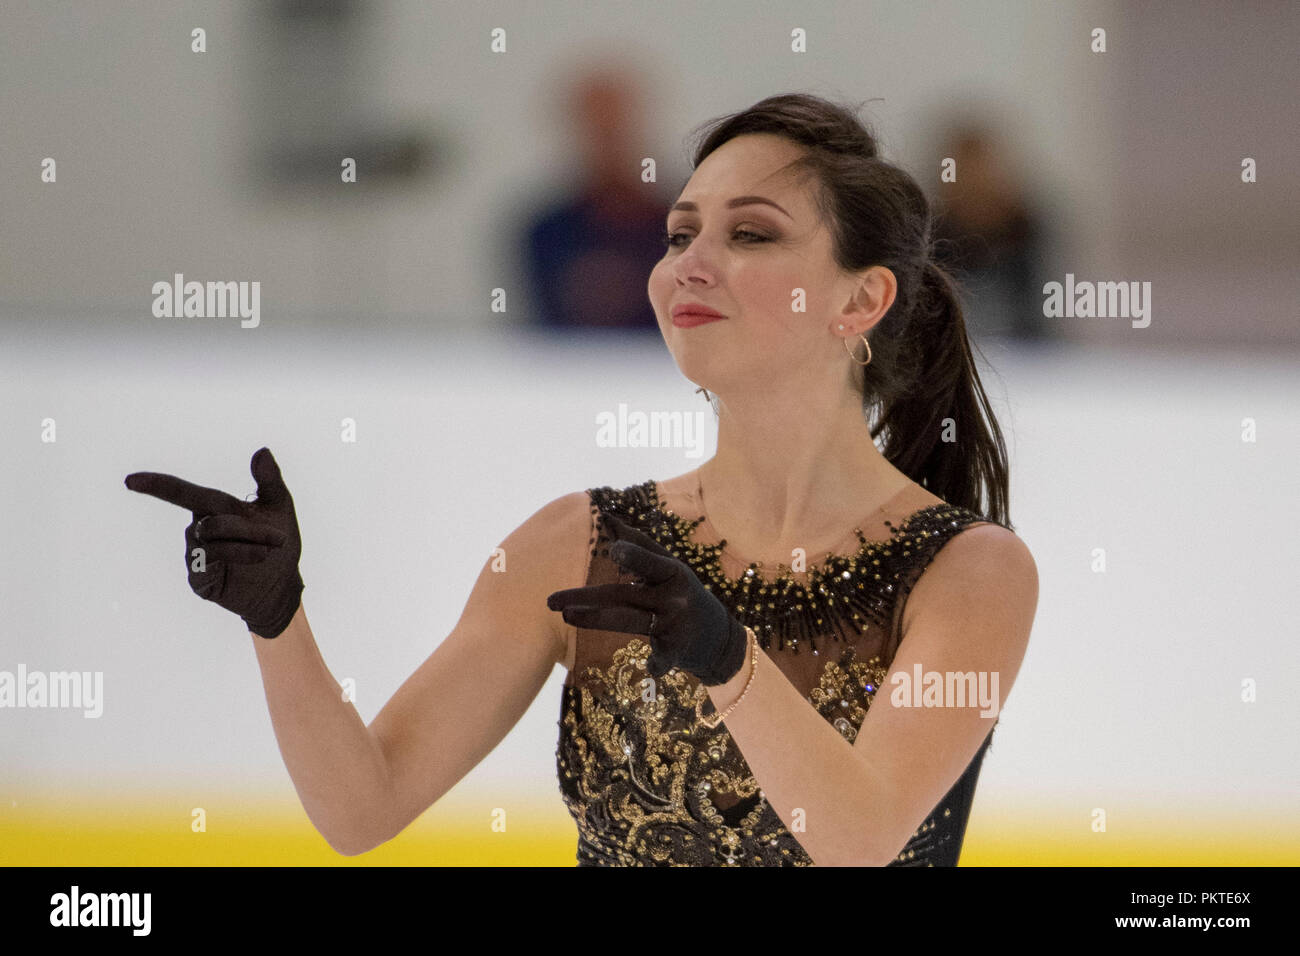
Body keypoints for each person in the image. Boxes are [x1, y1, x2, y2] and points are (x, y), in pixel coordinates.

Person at [124, 92, 1038, 867]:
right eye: (680, 233)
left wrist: (729, 658)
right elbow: (361, 809)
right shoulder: (576, 545)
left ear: (861, 299)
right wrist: (277, 618)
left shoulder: (968, 571)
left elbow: (860, 838)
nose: (692, 261)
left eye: (751, 233)